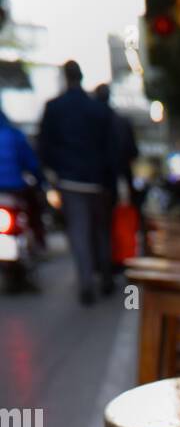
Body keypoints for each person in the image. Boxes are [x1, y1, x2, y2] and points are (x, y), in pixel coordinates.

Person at [38, 60, 114, 304]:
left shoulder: (54, 107)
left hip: (70, 180)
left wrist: (54, 171)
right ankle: (106, 277)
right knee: (101, 231)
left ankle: (86, 283)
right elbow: (110, 148)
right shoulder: (98, 110)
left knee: (79, 232)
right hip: (97, 180)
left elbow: (44, 146)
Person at [0, 106, 45, 245]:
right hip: (15, 187)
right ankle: (39, 240)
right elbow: (31, 162)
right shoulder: (14, 134)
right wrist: (40, 181)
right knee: (34, 208)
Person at [93, 82, 139, 205]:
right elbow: (133, 151)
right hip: (118, 178)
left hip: (96, 179)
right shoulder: (121, 121)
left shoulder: (91, 122)